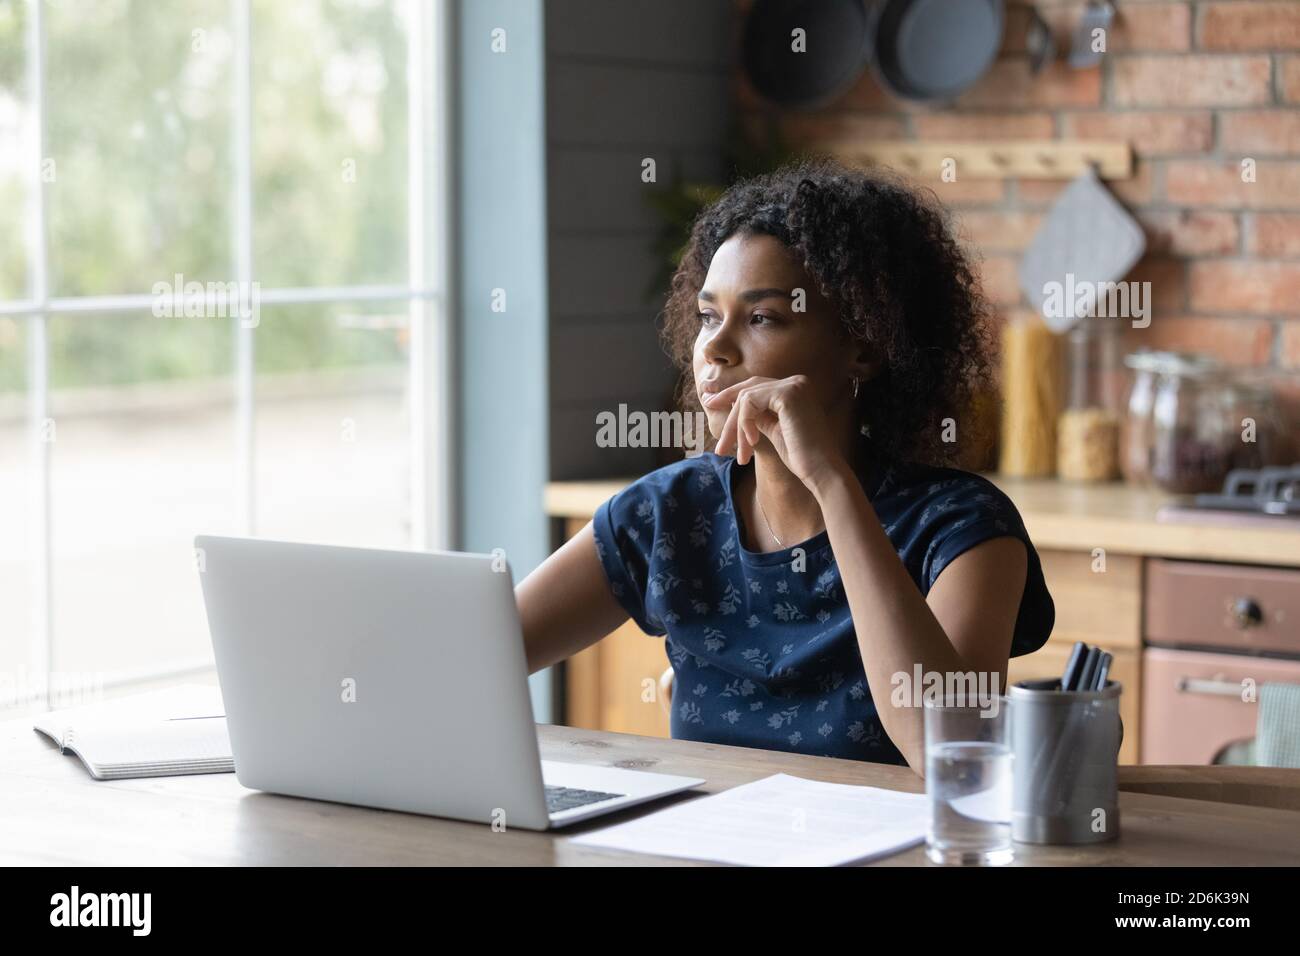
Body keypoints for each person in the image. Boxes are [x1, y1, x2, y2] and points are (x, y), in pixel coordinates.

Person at [516, 156, 1054, 775]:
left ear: (865, 346)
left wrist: (830, 482)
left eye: (763, 317)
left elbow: (951, 757)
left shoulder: (961, 527)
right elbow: (473, 658)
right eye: (709, 316)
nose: (715, 347)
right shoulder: (668, 511)